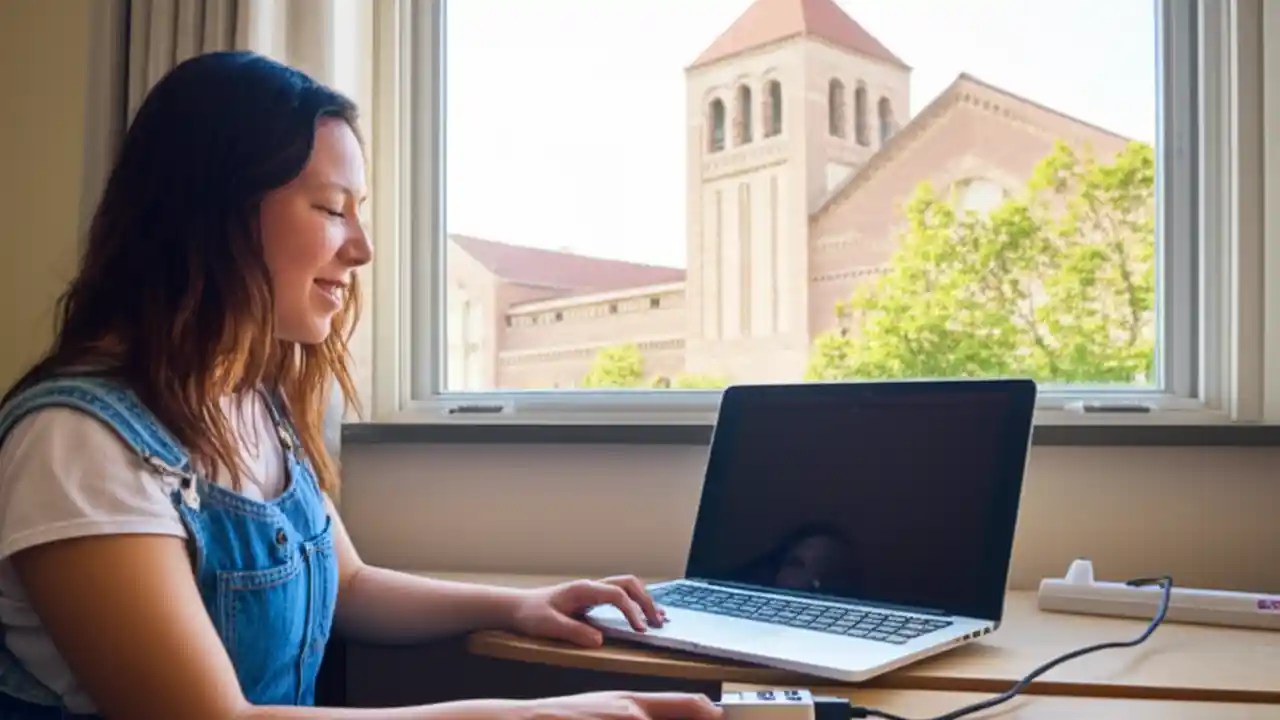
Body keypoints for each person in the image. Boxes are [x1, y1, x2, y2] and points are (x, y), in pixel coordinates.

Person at [0, 51, 722, 720]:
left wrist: (517, 605)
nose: (362, 248)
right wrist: (535, 714)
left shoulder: (255, 402)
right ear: (213, 213)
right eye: (331, 208)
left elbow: (349, 587)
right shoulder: (77, 446)